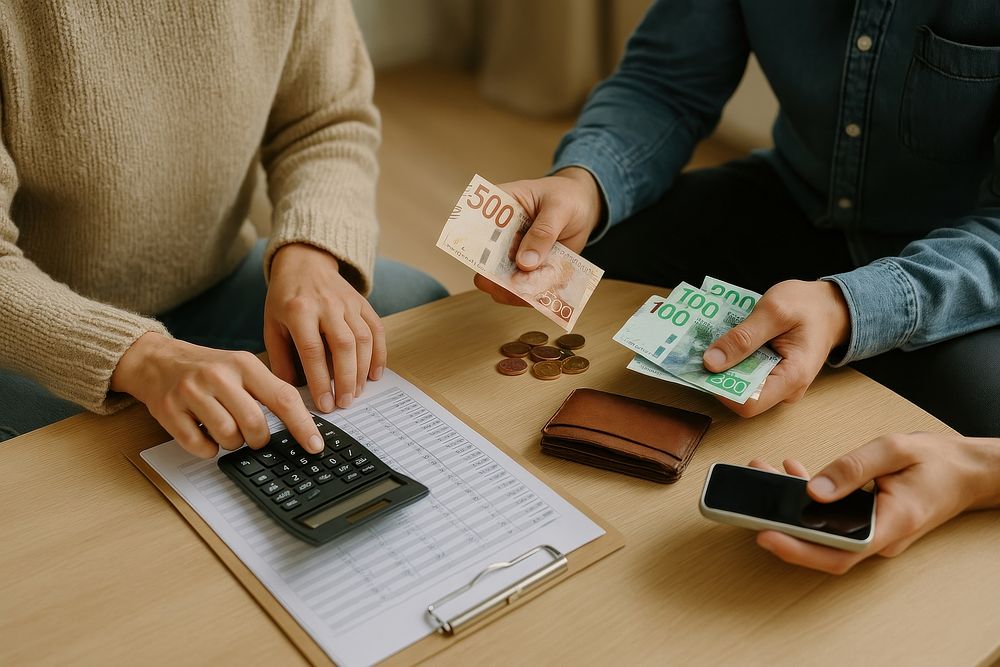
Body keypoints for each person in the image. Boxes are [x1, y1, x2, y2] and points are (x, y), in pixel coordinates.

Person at [475, 0, 1000, 572]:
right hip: (793, 195)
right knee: (586, 252)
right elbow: (665, 83)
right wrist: (583, 184)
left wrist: (853, 305)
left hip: (960, 251)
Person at [0, 1, 447, 454]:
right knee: (70, 467)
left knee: (413, 306)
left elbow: (327, 122)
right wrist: (146, 359)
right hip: (33, 329)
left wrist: (309, 257)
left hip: (215, 273)